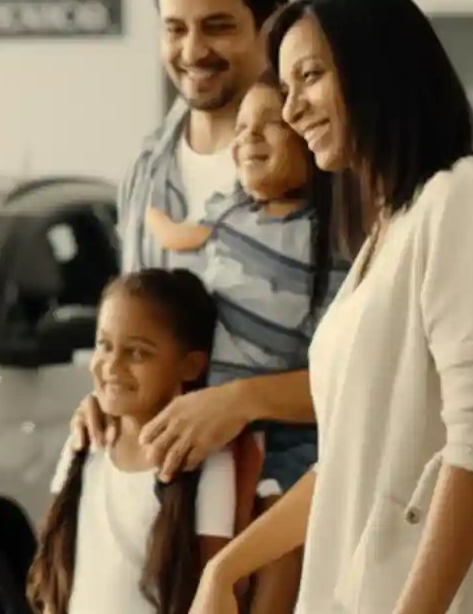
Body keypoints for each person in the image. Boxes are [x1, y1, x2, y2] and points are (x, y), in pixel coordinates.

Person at [191, 0, 473, 613]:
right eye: (286, 84)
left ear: (378, 68)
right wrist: (225, 567)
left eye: (310, 76)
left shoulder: (466, 197)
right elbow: (349, 465)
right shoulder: (390, 229)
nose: (292, 108)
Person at [74, 0, 317, 567]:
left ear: (271, 27)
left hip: (288, 527)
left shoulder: (329, 177)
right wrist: (103, 399)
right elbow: (136, 328)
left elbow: (383, 376)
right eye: (175, 28)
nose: (192, 50)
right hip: (157, 522)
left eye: (217, 26)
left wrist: (242, 401)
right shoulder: (145, 173)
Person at [145, 73, 345, 612]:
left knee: (278, 544)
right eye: (243, 126)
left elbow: (343, 377)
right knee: (210, 535)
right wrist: (156, 221)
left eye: (271, 125)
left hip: (294, 429)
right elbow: (183, 236)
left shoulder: (334, 240)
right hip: (216, 421)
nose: (250, 136)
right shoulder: (227, 209)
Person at [27, 269, 240, 614]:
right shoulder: (85, 441)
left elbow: (211, 593)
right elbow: (55, 564)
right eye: (104, 345)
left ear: (191, 365)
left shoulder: (210, 462)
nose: (112, 364)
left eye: (138, 353)